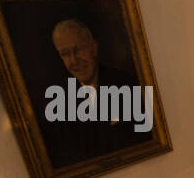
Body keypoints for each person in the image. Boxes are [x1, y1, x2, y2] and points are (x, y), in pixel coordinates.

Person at [45, 19, 152, 168]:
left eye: (78, 50)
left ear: (93, 48)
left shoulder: (127, 84)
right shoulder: (59, 104)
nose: (74, 60)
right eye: (65, 54)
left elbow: (144, 142)